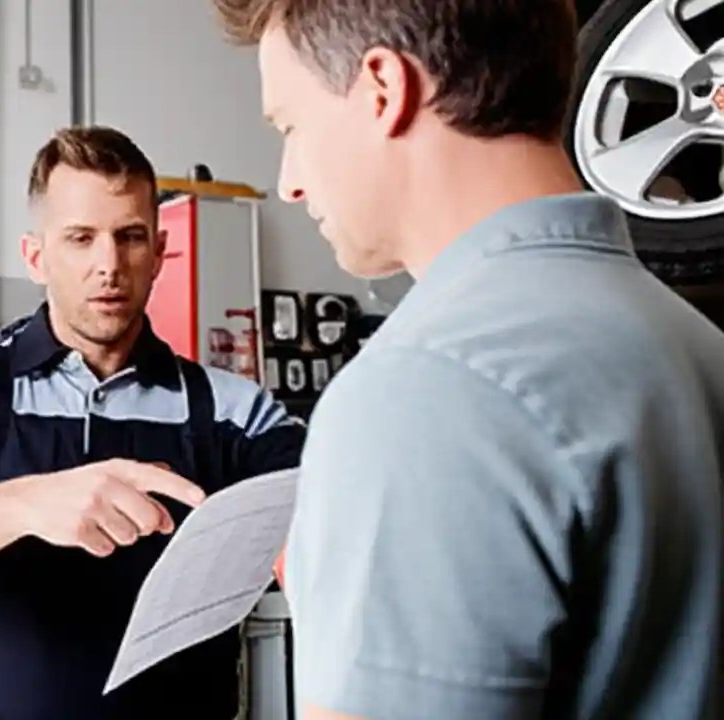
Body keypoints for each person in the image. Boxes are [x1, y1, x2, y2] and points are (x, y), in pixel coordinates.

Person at [212, 1, 723, 719]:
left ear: (382, 90)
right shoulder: (693, 341)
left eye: (289, 126)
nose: (289, 180)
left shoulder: (422, 387)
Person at [0, 125, 305, 720]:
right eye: (80, 238)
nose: (109, 265)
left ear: (160, 251)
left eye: (130, 237)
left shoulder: (231, 408)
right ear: (37, 257)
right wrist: (30, 504)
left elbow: (329, 526)